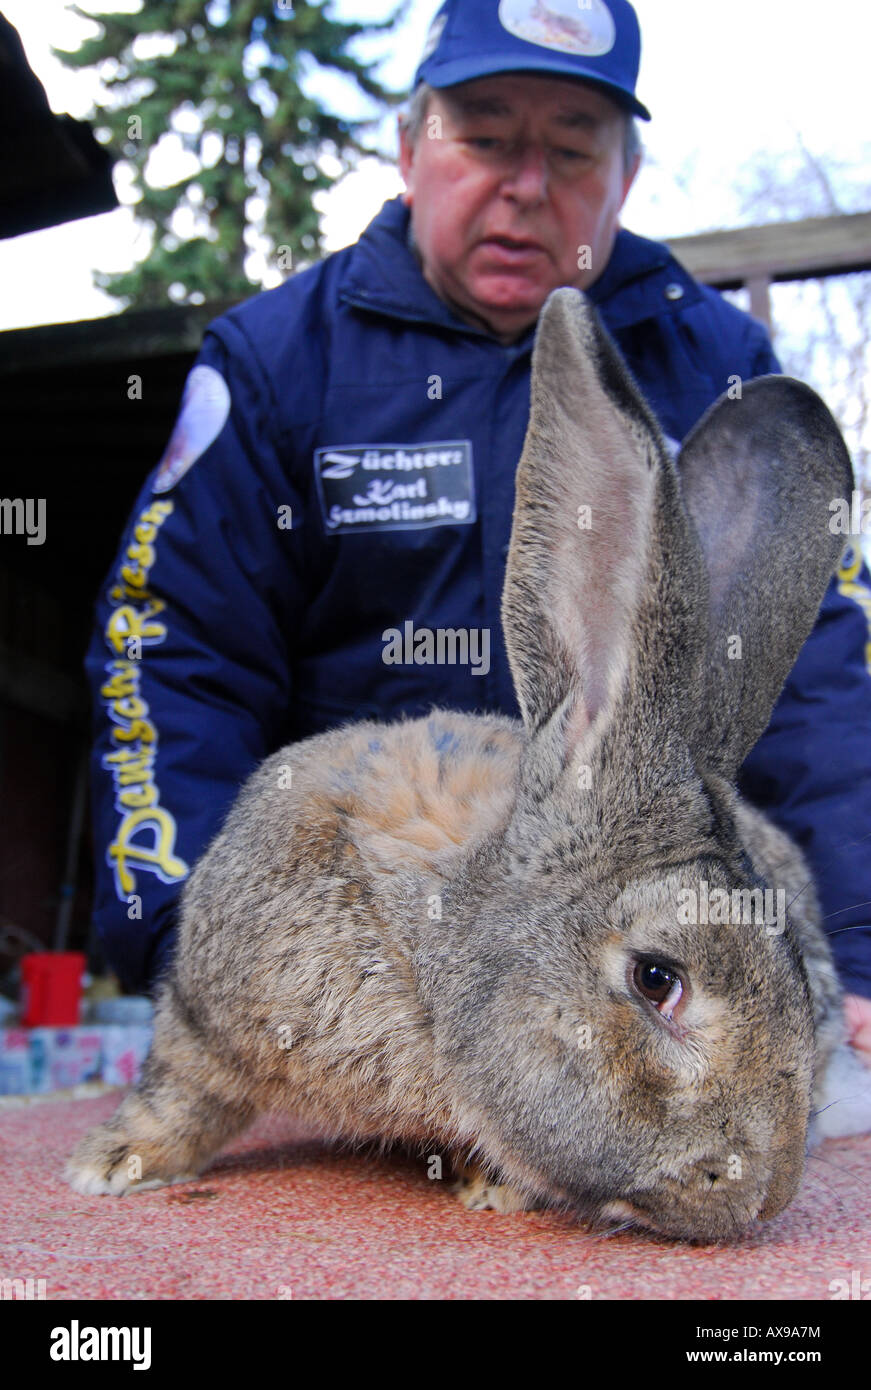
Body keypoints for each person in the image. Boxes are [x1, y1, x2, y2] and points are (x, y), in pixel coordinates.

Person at [85, 0, 871, 1064]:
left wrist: (859, 951)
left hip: (634, 980)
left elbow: (820, 674)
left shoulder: (719, 371)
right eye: (487, 138)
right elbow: (171, 652)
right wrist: (191, 942)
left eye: (570, 148)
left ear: (624, 179)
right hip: (357, 957)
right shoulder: (276, 367)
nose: (526, 187)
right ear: (410, 151)